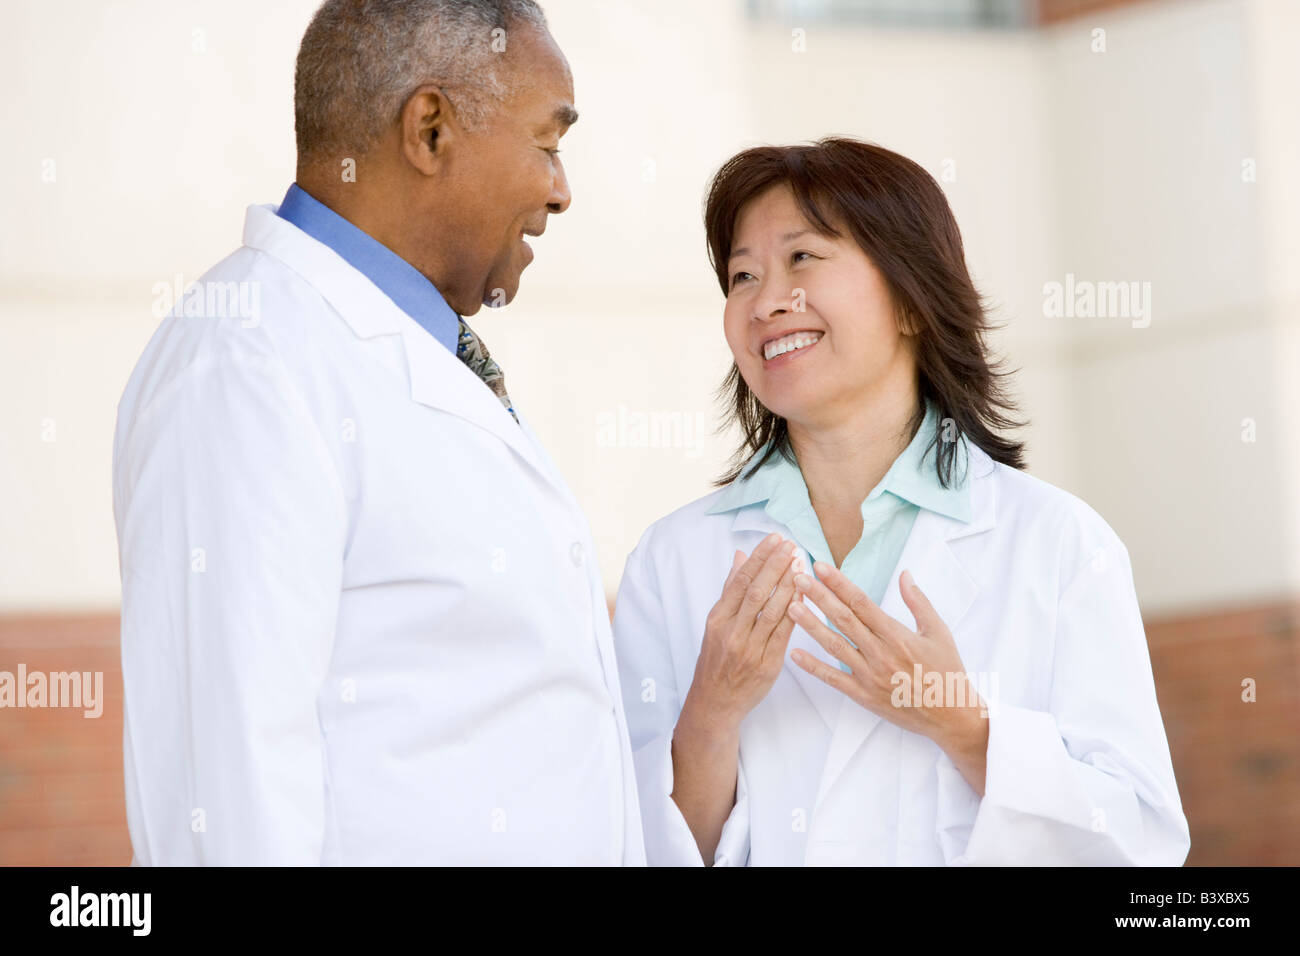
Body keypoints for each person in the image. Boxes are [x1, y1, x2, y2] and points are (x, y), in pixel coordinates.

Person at [112, 0, 644, 865]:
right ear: (429, 130)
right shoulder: (247, 364)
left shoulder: (411, 353)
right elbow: (227, 798)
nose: (561, 190)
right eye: (547, 144)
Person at [611, 137, 1190, 866]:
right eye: (741, 274)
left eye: (802, 258)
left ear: (913, 300)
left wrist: (964, 724)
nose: (765, 301)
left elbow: (1140, 843)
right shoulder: (673, 560)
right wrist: (709, 717)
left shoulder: (1059, 543)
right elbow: (623, 845)